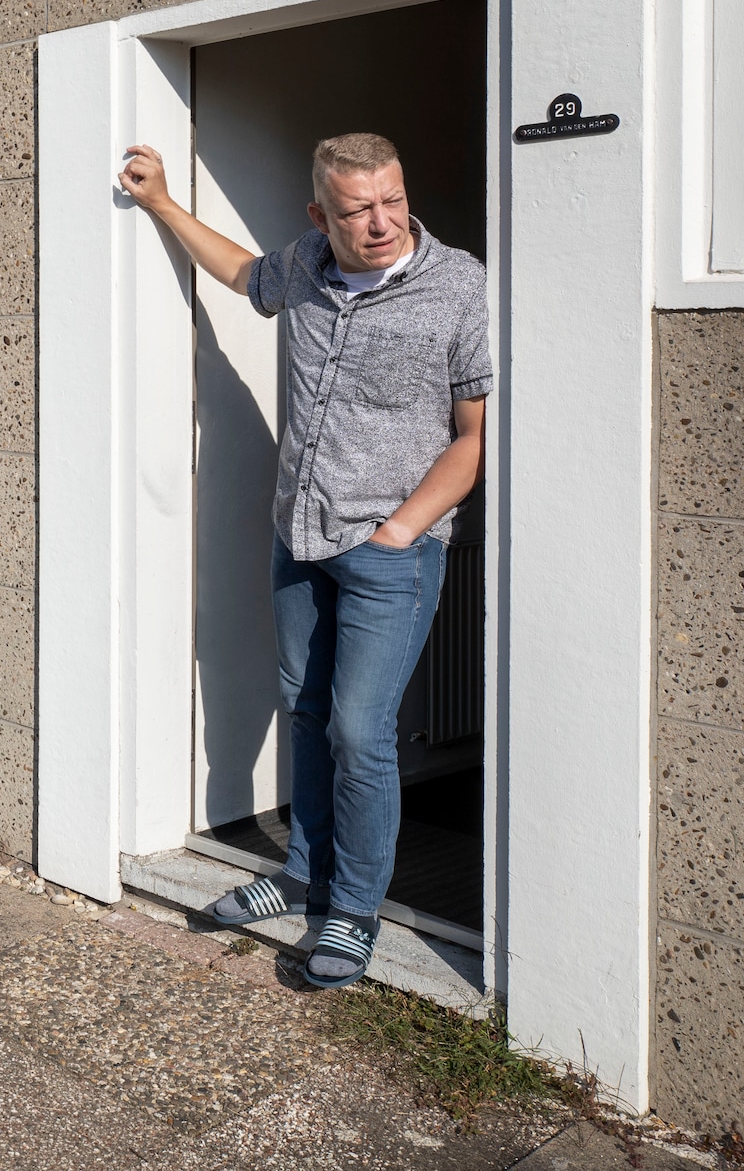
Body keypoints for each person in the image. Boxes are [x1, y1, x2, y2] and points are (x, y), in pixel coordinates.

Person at [116, 132, 490, 989]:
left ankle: (353, 910)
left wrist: (400, 531)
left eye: (392, 199)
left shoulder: (458, 284)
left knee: (363, 732)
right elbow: (245, 275)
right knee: (309, 712)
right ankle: (301, 875)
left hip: (390, 552)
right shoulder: (308, 264)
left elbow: (471, 441)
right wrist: (163, 201)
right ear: (321, 214)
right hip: (298, 536)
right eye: (358, 208)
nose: (382, 221)